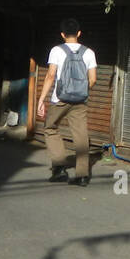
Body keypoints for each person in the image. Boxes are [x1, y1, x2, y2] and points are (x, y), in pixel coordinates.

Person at [37, 19, 99, 187]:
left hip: (60, 99)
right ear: (79, 33)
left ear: (62, 34)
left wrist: (41, 99)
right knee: (80, 135)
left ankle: (59, 168)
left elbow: (50, 76)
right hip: (81, 100)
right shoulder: (89, 52)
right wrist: (80, 90)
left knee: (50, 128)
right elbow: (92, 79)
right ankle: (82, 175)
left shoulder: (56, 50)